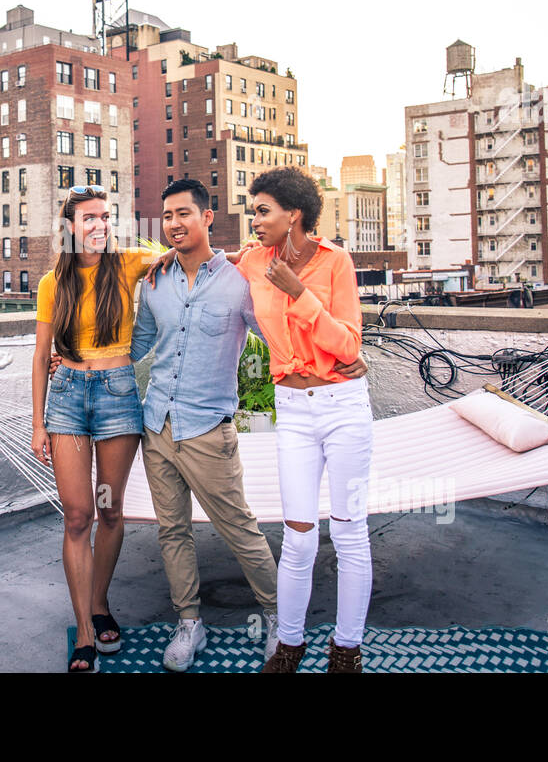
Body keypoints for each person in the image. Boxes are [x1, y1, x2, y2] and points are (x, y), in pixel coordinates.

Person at [130, 178, 369, 672]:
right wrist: (76, 360)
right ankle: (207, 626)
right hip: (171, 420)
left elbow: (312, 334)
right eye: (167, 216)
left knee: (264, 530)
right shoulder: (216, 270)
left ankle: (314, 637)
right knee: (182, 532)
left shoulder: (284, 270)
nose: (173, 224)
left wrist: (342, 347)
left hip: (253, 419)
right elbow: (141, 340)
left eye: (263, 211)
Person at [236, 166, 374, 674]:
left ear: (294, 215)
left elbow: (348, 345)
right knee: (297, 535)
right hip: (291, 411)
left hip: (342, 408)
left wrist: (299, 292)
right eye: (254, 211)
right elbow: (210, 263)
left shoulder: (337, 262)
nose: (255, 220)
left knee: (349, 531)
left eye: (263, 211)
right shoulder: (253, 260)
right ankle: (290, 646)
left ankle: (347, 649)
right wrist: (165, 257)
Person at [31, 185, 160, 672]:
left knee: (110, 511)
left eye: (105, 217)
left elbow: (187, 250)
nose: (100, 225)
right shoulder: (51, 283)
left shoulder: (128, 264)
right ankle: (85, 628)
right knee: (77, 516)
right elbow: (41, 356)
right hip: (66, 397)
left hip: (117, 395)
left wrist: (247, 250)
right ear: (69, 227)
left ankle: (100, 601)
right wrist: (38, 423)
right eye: (89, 218)